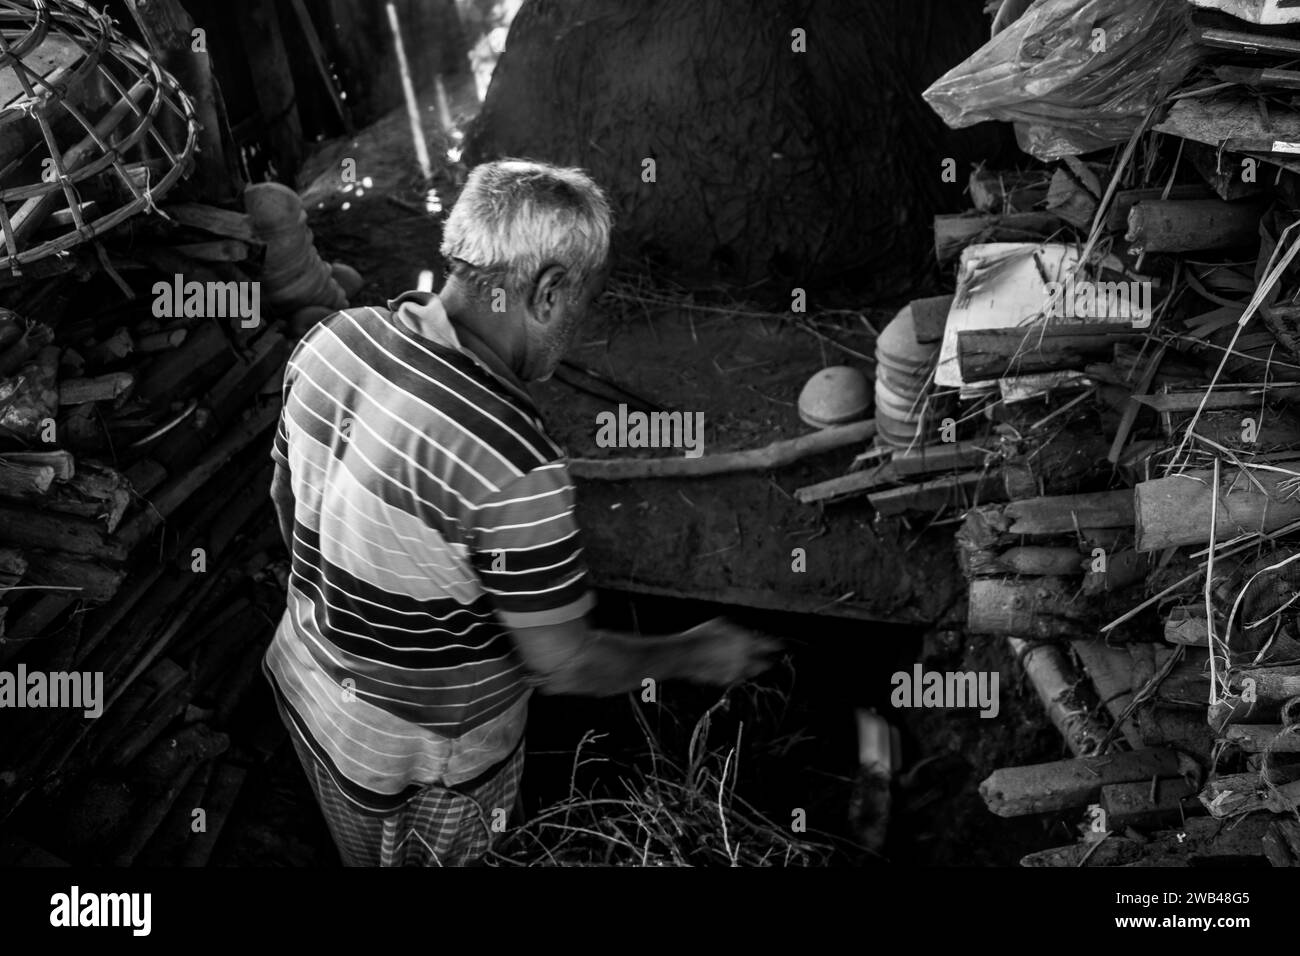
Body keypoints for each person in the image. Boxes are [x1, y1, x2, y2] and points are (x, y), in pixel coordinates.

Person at [264, 158, 777, 866]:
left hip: (310, 695)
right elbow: (564, 664)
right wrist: (693, 651)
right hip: (425, 766)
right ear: (547, 289)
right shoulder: (514, 462)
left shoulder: (332, 340)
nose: (579, 330)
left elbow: (287, 513)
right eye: (583, 304)